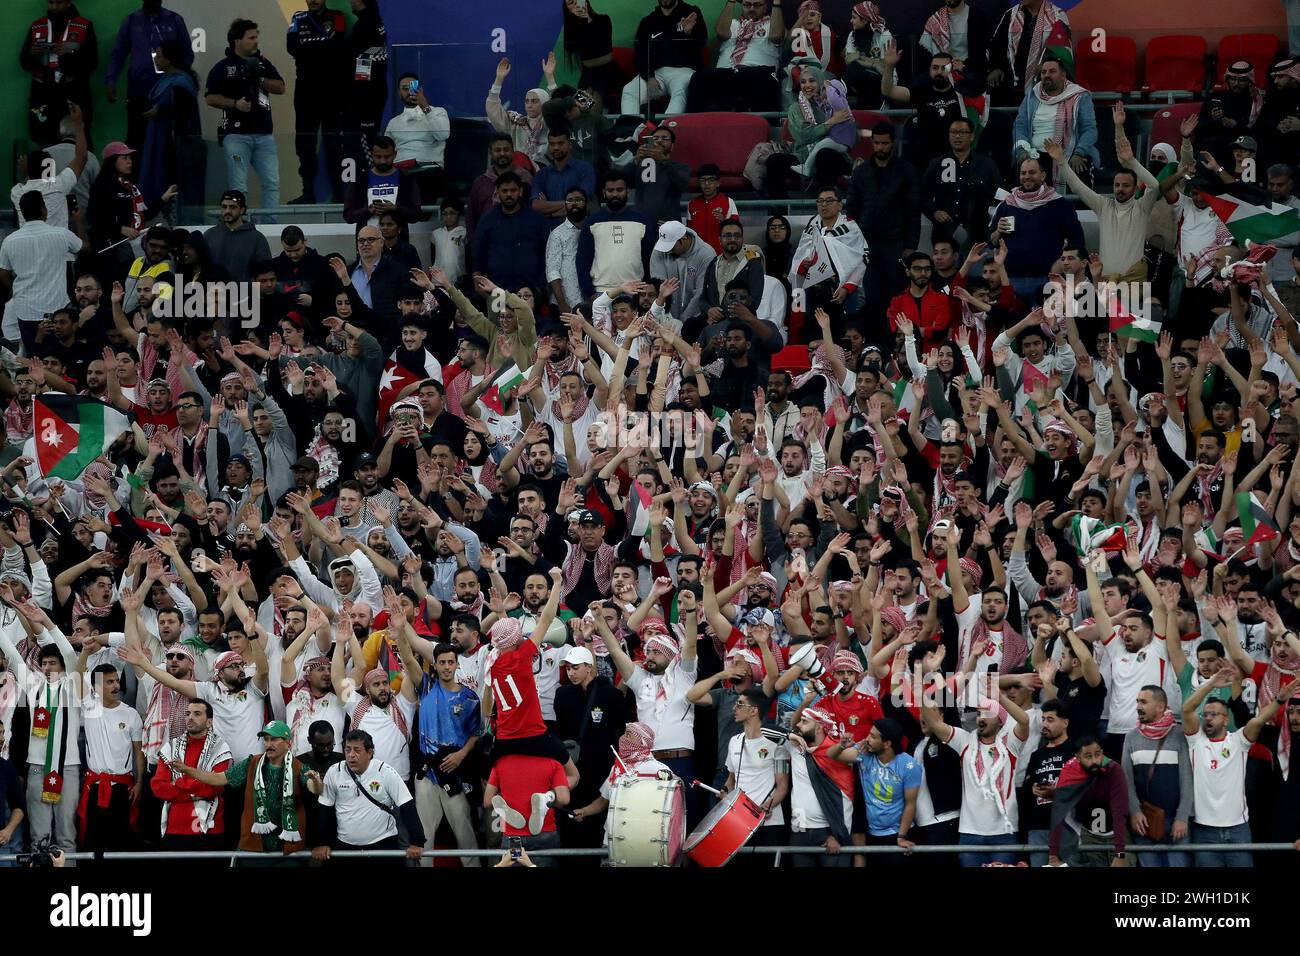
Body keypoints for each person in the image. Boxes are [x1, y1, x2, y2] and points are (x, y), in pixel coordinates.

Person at [1182, 669, 1297, 867]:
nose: (1208, 718)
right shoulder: (1195, 741)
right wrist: (1211, 684)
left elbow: (1259, 720)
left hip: (1238, 829)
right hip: (1204, 829)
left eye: (1214, 714)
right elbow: (1186, 709)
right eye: (1206, 714)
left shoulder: (1238, 741)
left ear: (1226, 719)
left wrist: (1279, 701)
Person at [0, 604, 82, 861]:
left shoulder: (74, 688)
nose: (47, 668)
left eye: (52, 663)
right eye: (44, 663)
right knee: (39, 836)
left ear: (62, 666)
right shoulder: (33, 687)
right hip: (36, 767)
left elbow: (70, 653)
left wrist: (46, 621)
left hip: (67, 767)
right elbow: (12, 655)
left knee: (67, 835)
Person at [166, 720, 316, 860]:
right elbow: (218, 779)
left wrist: (315, 781)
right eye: (266, 739)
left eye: (274, 739)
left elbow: (314, 788)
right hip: (254, 844)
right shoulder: (251, 763)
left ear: (288, 743)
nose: (268, 744)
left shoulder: (298, 767)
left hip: (287, 847)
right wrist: (187, 769)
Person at [922, 691, 1031, 867]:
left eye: (988, 713)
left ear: (1000, 719)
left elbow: (1024, 720)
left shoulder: (1010, 742)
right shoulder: (964, 741)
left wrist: (1000, 698)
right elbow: (934, 722)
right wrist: (922, 691)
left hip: (1004, 834)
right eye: (979, 713)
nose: (981, 718)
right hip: (969, 834)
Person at [204, 19, 285, 212]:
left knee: (272, 183)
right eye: (251, 38)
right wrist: (234, 104)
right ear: (237, 41)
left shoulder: (263, 62)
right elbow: (210, 97)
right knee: (238, 185)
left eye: (256, 37)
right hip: (236, 136)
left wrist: (261, 78)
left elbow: (281, 87)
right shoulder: (223, 67)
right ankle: (241, 224)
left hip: (265, 135)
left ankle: (271, 225)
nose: (256, 41)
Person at [311, 729, 426, 864]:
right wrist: (322, 843)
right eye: (347, 750)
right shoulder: (334, 771)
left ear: (370, 753)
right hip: (345, 847)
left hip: (383, 846)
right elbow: (324, 808)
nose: (351, 755)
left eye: (357, 750)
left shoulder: (385, 772)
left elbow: (407, 805)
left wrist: (417, 841)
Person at [413, 642, 481, 868]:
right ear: (435, 665)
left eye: (450, 662)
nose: (446, 667)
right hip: (427, 774)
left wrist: (461, 755)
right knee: (424, 835)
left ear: (457, 664)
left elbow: (476, 733)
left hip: (454, 772)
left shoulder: (469, 698)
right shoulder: (426, 687)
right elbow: (407, 658)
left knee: (464, 832)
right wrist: (402, 632)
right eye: (441, 662)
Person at [845, 121, 919, 320]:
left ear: (893, 143)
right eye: (876, 143)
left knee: (896, 295)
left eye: (884, 143)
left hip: (896, 242)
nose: (880, 147)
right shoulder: (861, 172)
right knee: (871, 295)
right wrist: (853, 242)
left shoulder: (906, 170)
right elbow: (851, 207)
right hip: (867, 243)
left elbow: (913, 210)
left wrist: (911, 245)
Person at [988, 154, 1085, 300]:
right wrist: (998, 232)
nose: (1027, 176)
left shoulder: (1060, 204)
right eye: (1023, 173)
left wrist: (1061, 264)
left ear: (1043, 175)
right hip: (1011, 280)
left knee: (1049, 323)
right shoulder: (1007, 204)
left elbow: (1077, 240)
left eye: (1032, 172)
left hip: (1048, 280)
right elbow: (991, 242)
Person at [0, 191, 84, 354]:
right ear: (43, 209)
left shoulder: (10, 241)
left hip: (26, 311)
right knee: (59, 357)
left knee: (35, 359)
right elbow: (84, 247)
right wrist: (79, 222)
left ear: (22, 213)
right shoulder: (61, 234)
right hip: (58, 309)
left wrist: (20, 289)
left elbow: (3, 275)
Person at [104, 0, 194, 149]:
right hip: (138, 93)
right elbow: (118, 54)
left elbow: (187, 54)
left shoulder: (175, 20)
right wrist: (111, 79)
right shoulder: (131, 21)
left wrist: (176, 79)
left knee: (166, 146)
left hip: (167, 95)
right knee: (136, 142)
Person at [830, 716, 920, 863]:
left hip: (897, 834)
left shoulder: (909, 765)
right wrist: (842, 745)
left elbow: (911, 804)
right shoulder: (865, 753)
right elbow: (832, 755)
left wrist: (902, 836)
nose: (867, 739)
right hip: (871, 834)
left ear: (887, 743)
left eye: (872, 736)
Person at [1122, 685, 1193, 867]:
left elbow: (1187, 780)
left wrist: (1182, 817)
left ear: (1161, 706)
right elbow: (1126, 781)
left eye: (1144, 702)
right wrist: (1135, 812)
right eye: (1137, 701)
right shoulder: (1130, 737)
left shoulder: (1179, 735)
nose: (1138, 706)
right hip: (1144, 822)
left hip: (1175, 822)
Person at [285, 0, 348, 205]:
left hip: (332, 90)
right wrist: (322, 44)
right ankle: (308, 193)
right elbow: (292, 47)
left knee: (333, 144)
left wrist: (310, 46)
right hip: (305, 90)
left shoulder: (337, 16)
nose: (313, 0)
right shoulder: (298, 18)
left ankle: (339, 194)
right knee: (305, 144)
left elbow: (337, 47)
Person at [152, 700, 233, 854]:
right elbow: (158, 787)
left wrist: (178, 783)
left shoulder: (220, 747)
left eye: (197, 714)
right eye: (187, 714)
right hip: (174, 830)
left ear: (209, 722)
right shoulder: (171, 746)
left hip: (209, 831)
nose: (190, 717)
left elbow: (214, 787)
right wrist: (197, 786)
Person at [722, 687, 790, 852]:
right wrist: (725, 791)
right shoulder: (734, 741)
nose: (734, 708)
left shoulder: (776, 743)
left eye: (740, 704)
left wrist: (767, 806)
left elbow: (782, 785)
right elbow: (731, 779)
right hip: (739, 820)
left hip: (769, 821)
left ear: (753, 711)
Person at [1046, 737, 1130, 867]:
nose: (1094, 761)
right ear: (1078, 757)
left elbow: (1119, 811)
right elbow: (1058, 813)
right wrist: (1053, 857)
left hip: (1117, 834)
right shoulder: (1069, 773)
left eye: (1097, 754)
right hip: (1090, 835)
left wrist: (1120, 854)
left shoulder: (1113, 769)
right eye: (1088, 756)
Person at [687, 0, 783, 113]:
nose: (751, 8)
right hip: (727, 72)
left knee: (766, 80)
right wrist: (731, 1)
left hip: (757, 72)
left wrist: (776, 3)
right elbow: (721, 33)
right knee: (698, 78)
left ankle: (769, 127)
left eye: (757, 5)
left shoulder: (771, 24)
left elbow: (777, 36)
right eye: (747, 4)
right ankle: (694, 125)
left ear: (765, 7)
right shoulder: (732, 23)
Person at [577, 169, 657, 300]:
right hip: (601, 292)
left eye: (619, 190)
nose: (615, 194)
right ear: (603, 192)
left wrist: (646, 288)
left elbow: (650, 258)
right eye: (610, 191)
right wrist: (589, 293)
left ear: (628, 191)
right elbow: (583, 260)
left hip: (636, 291)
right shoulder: (592, 222)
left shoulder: (642, 221)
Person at [920, 117, 1001, 243]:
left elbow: (999, 197)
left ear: (972, 136)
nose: (957, 136)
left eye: (962, 132)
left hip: (978, 233)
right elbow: (922, 197)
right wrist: (934, 212)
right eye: (953, 132)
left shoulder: (987, 165)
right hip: (944, 234)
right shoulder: (937, 164)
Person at [621, 0, 708, 116]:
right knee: (629, 91)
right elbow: (640, 54)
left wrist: (688, 33)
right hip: (656, 74)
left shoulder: (691, 12)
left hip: (684, 71)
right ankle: (632, 132)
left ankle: (665, 131)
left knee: (680, 92)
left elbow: (702, 43)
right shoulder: (648, 21)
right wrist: (649, 77)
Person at [11, 102, 87, 230]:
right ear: (50, 167)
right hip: (58, 247)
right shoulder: (59, 185)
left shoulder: (17, 192)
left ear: (28, 171)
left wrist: (26, 171)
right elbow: (82, 158)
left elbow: (29, 182)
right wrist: (78, 123)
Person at [385, 73, 450, 203]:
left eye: (412, 87)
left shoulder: (438, 112)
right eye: (404, 88)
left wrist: (424, 106)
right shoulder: (394, 122)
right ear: (399, 93)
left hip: (428, 170)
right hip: (401, 172)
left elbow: (443, 135)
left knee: (422, 181)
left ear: (420, 90)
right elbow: (386, 151)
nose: (409, 92)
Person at [986, 0, 1070, 100]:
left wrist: (1045, 65)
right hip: (1012, 82)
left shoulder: (1057, 16)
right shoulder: (1011, 15)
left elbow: (1064, 54)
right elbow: (997, 46)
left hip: (1044, 82)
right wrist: (996, 67)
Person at [204, 190, 272, 283]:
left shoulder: (257, 238)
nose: (227, 211)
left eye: (232, 207)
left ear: (242, 210)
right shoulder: (209, 235)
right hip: (215, 294)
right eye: (224, 207)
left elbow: (265, 272)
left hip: (246, 294)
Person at [634, 126, 691, 225]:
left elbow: (682, 184)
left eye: (664, 138)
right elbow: (620, 181)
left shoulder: (680, 167)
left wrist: (663, 160)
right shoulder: (642, 165)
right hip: (642, 225)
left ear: (672, 146)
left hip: (669, 225)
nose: (659, 141)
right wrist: (635, 161)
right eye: (655, 138)